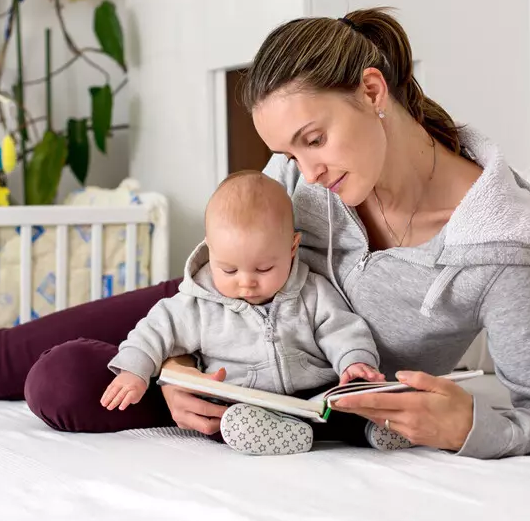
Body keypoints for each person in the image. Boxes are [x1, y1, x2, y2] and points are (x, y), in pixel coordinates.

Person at [0, 7, 530, 459]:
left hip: (295, 391)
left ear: (371, 92)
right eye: (289, 154)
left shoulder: (491, 251)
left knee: (64, 385)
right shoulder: (304, 175)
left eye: (314, 140)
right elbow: (237, 233)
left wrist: (469, 426)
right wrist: (171, 362)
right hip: (207, 306)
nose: (306, 173)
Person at [101, 171, 406, 456]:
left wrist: (355, 362)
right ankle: (278, 433)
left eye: (263, 268)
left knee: (345, 403)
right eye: (229, 269)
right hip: (244, 398)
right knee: (220, 414)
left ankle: (371, 428)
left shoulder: (312, 291)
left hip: (312, 394)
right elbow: (154, 332)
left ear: (292, 247)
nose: (246, 281)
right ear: (211, 251)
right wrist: (134, 371)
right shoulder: (197, 304)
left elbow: (342, 330)